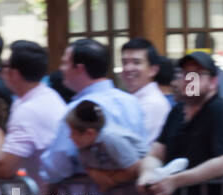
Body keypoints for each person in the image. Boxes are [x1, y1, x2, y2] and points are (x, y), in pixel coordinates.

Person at [137, 52, 223, 195]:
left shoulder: (220, 110)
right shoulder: (177, 112)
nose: (189, 79)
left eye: (197, 74)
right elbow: (155, 153)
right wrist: (147, 175)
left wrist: (176, 181)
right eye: (185, 73)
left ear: (213, 82)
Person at [39, 39, 144, 185]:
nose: (61, 68)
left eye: (64, 63)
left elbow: (58, 165)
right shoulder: (130, 101)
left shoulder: (78, 108)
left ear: (79, 69)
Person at [0, 41, 67, 181]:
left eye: (4, 66)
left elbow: (4, 167)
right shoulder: (47, 95)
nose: (2, 71)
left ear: (14, 73)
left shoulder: (29, 111)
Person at [120, 37, 172, 147]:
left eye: (136, 62)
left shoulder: (153, 104)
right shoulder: (130, 99)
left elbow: (137, 150)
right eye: (124, 62)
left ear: (153, 70)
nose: (128, 68)